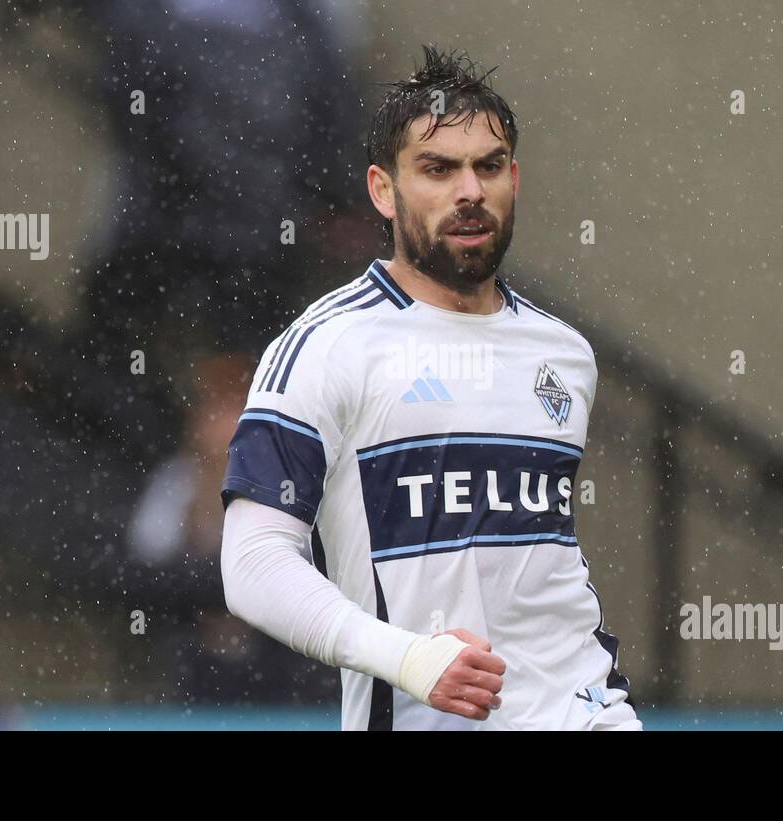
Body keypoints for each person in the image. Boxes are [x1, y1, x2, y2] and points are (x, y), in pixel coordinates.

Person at [219, 45, 640, 730]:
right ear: (383, 190)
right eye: (438, 169)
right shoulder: (325, 346)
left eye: (488, 166)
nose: (469, 190)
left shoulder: (565, 356)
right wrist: (408, 657)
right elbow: (254, 563)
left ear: (514, 180)